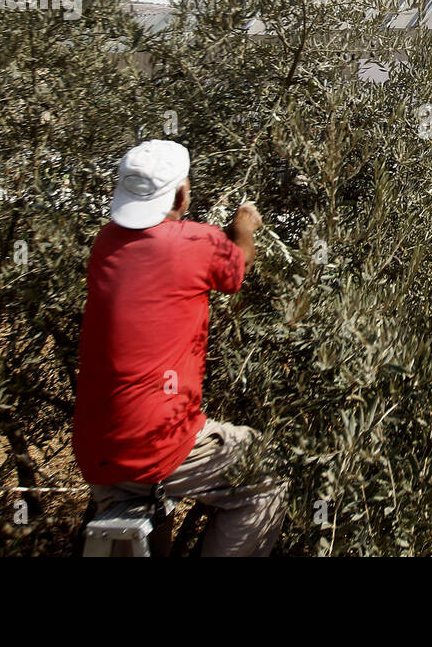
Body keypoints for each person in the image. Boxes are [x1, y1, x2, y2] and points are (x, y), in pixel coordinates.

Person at [73, 139, 286, 556]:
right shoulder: (194, 243)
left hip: (96, 446)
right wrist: (244, 227)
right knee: (265, 473)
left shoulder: (104, 244)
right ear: (182, 193)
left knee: (140, 505)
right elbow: (237, 267)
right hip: (157, 443)